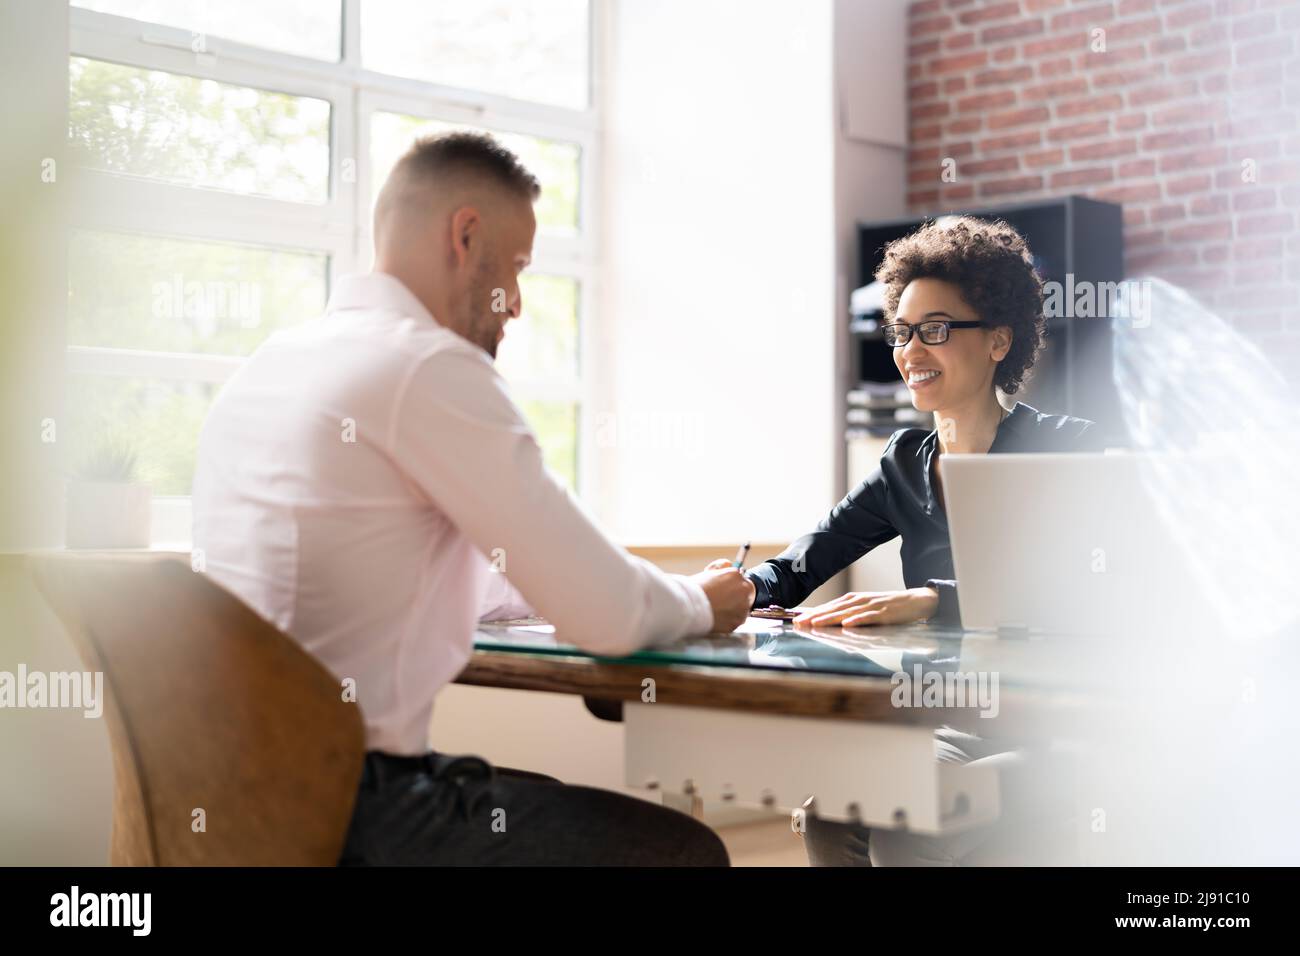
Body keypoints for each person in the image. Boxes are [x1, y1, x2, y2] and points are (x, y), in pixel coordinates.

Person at [192, 131, 752, 866]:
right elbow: (610, 614)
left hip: (226, 796)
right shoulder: (427, 365)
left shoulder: (273, 364)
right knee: (679, 851)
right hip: (352, 813)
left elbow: (442, 576)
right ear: (465, 234)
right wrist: (703, 601)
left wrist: (555, 581)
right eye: (516, 268)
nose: (516, 304)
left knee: (533, 798)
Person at [711, 216, 1109, 865]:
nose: (910, 351)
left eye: (937, 330)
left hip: (1057, 731)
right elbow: (807, 559)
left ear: (998, 341)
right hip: (952, 726)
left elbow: (1073, 589)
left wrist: (932, 597)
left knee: (904, 829)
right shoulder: (905, 461)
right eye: (902, 331)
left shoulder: (1067, 447)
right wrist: (727, 592)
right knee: (828, 814)